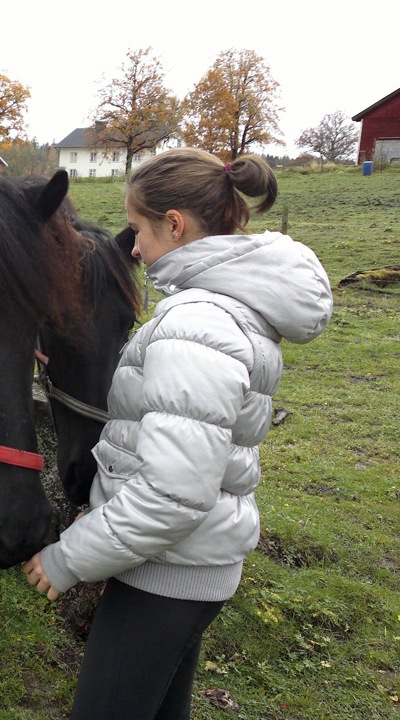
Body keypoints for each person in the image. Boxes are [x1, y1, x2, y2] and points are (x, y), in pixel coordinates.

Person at [22, 147, 333, 720]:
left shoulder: (196, 325)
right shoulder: (224, 310)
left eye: (138, 229)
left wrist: (69, 558)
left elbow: (173, 493)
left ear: (174, 223)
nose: (133, 249)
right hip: (188, 566)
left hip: (167, 574)